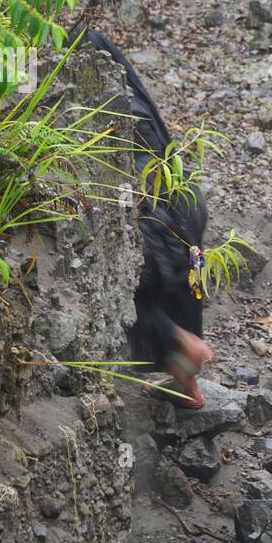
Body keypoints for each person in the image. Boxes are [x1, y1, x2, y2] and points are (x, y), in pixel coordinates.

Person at [81, 30, 213, 409]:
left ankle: (185, 344)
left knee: (137, 294)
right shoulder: (134, 97)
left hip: (154, 215)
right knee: (188, 282)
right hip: (185, 205)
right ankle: (187, 385)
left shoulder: (108, 108)